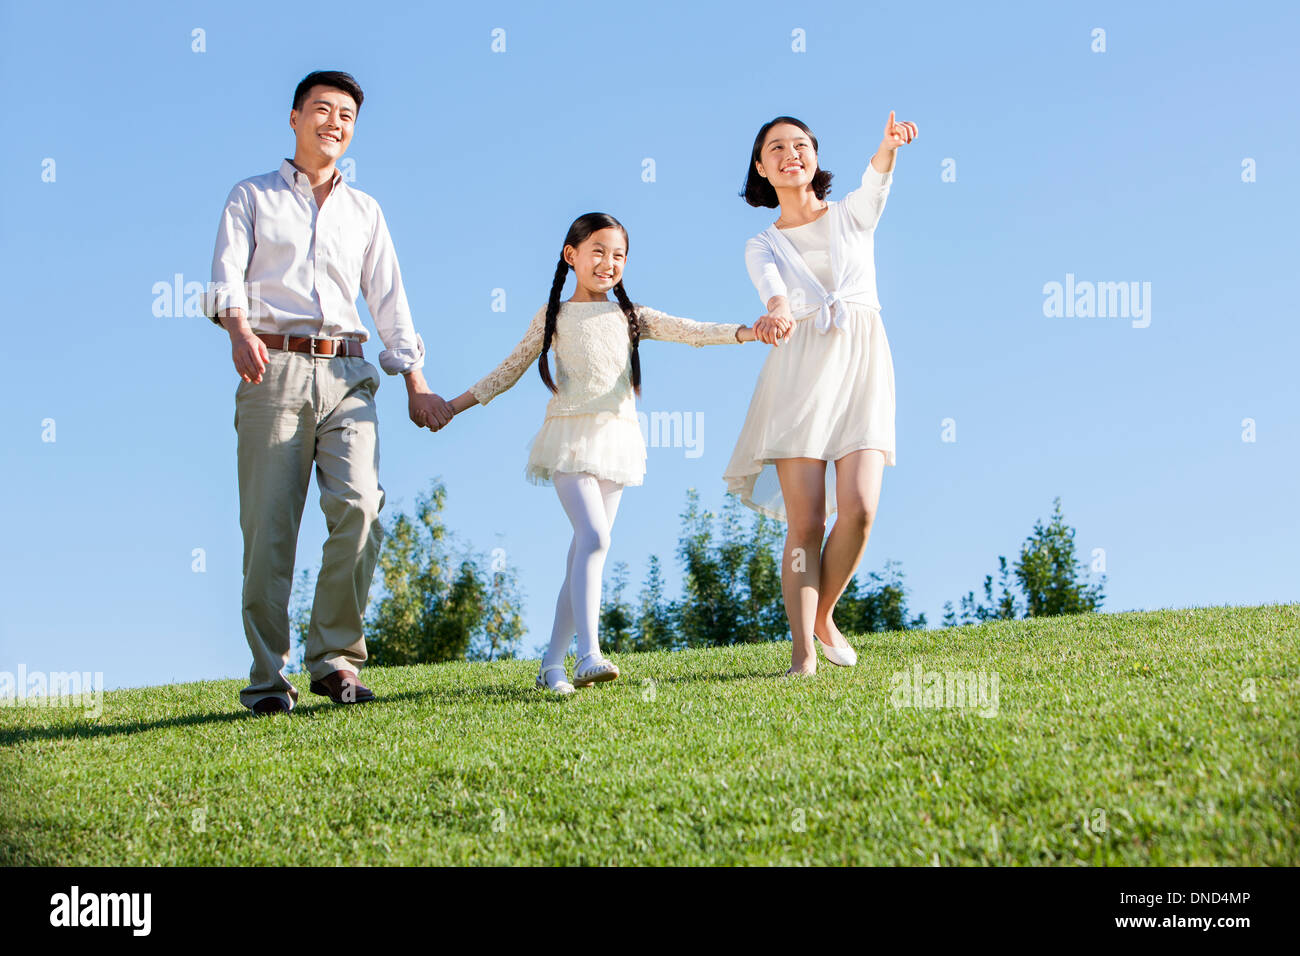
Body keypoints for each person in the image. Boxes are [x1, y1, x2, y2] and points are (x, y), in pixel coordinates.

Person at [204, 70, 453, 715]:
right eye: (321, 110)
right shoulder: (251, 197)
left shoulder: (366, 211)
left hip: (349, 374)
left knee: (361, 506)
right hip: (273, 370)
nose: (334, 123)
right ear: (294, 118)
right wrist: (238, 330)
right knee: (269, 528)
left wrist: (416, 383)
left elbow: (390, 303)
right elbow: (226, 275)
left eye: (346, 115)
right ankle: (267, 679)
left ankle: (335, 659)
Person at [437, 213, 771, 694]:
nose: (608, 263)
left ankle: (551, 665)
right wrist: (453, 406)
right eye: (597, 251)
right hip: (567, 439)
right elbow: (509, 369)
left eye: (618, 255)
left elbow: (690, 330)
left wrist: (746, 332)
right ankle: (588, 655)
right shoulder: (553, 317)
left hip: (617, 441)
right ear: (571, 255)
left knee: (584, 551)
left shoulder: (629, 316)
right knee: (594, 538)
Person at [724, 111, 918, 676]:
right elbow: (772, 290)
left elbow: (876, 181)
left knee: (859, 509)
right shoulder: (760, 243)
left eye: (801, 145)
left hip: (861, 365)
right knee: (805, 523)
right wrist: (778, 311)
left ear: (815, 156)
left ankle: (823, 613)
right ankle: (802, 655)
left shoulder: (851, 217)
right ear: (761, 168)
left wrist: (887, 147)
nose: (791, 154)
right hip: (799, 373)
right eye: (776, 148)